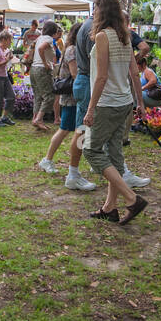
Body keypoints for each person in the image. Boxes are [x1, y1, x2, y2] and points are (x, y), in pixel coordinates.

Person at [82, 0, 149, 225]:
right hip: (124, 103)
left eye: (95, 8)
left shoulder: (102, 37)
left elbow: (100, 77)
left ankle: (131, 199)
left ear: (103, 11)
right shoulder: (125, 36)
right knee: (115, 155)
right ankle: (109, 208)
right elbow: (134, 73)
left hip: (107, 103)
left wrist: (90, 109)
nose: (93, 12)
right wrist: (139, 103)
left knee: (90, 150)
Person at [39, 23, 82, 174]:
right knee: (64, 130)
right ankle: (47, 159)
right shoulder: (73, 50)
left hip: (73, 96)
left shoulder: (72, 48)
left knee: (80, 130)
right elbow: (75, 74)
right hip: (71, 97)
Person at [64, 14, 98, 192]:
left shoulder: (87, 26)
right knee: (82, 130)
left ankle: (90, 165)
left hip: (85, 82)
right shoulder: (91, 29)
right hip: (86, 83)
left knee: (86, 130)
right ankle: (73, 174)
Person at [30, 21, 59, 132]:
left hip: (34, 68)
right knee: (49, 96)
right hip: (42, 69)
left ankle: (36, 119)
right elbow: (41, 49)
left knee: (38, 96)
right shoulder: (49, 39)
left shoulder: (40, 38)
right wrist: (46, 64)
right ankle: (38, 119)